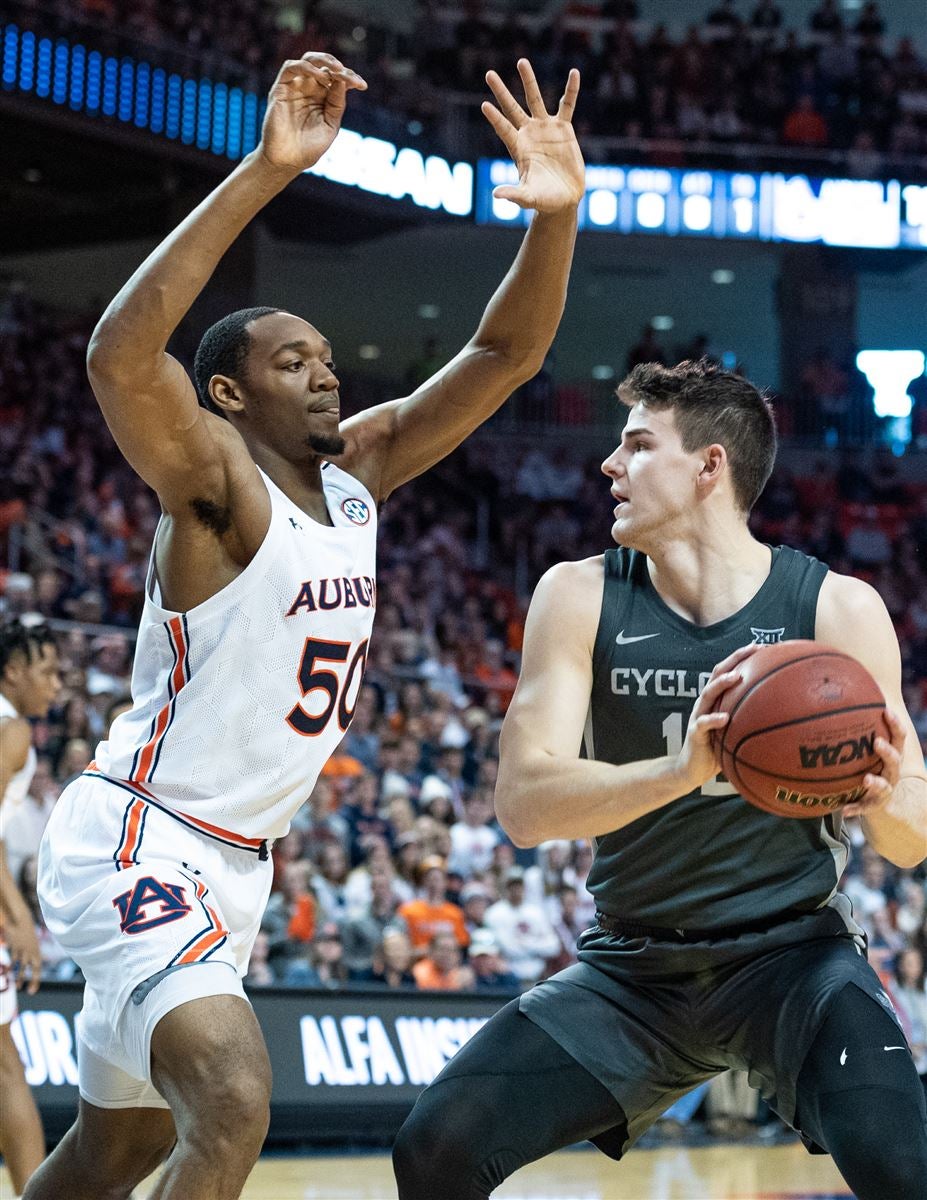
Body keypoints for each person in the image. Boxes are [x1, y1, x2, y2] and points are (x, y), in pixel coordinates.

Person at [26, 52, 584, 1200]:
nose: (326, 377)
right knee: (232, 1098)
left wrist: (558, 219)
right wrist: (266, 172)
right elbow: (119, 358)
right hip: (143, 834)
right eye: (293, 362)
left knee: (119, 1148)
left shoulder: (357, 475)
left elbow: (505, 355)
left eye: (329, 360)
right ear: (230, 394)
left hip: (237, 862)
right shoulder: (217, 490)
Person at [393, 359, 927, 1200]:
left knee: (909, 1170)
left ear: (708, 466)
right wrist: (681, 771)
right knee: (436, 1149)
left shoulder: (837, 610)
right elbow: (523, 807)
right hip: (631, 969)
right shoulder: (577, 596)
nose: (609, 465)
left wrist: (886, 794)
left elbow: (911, 842)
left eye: (638, 446)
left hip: (793, 961)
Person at [0, 620, 61, 1199]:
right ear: (13, 671)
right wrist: (15, 916)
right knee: (5, 1065)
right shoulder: (13, 729)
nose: (57, 685)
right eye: (47, 671)